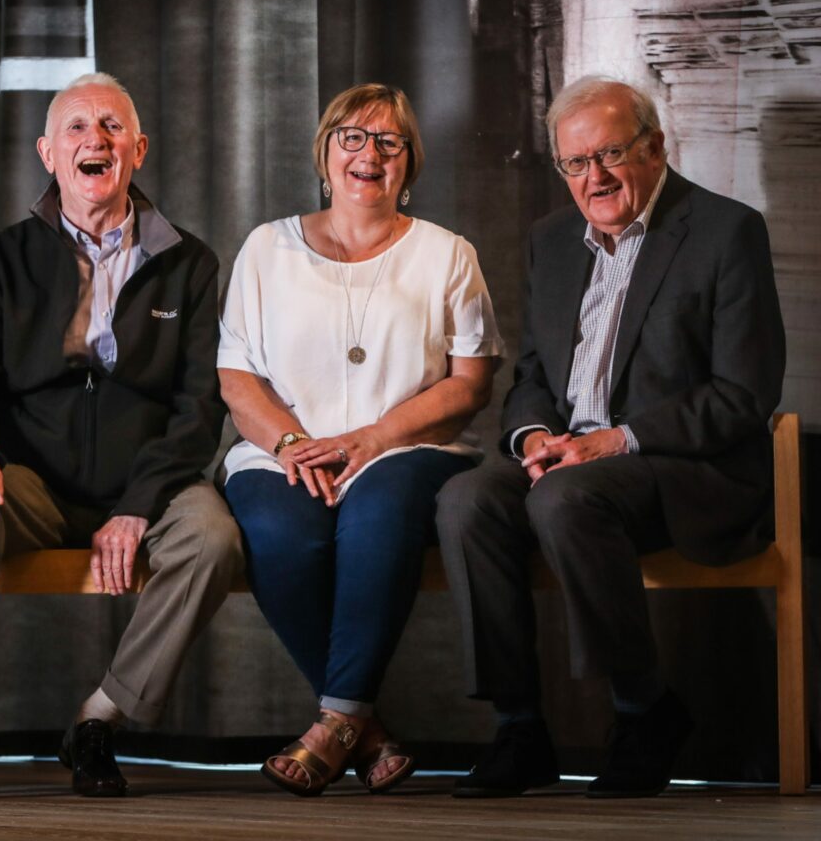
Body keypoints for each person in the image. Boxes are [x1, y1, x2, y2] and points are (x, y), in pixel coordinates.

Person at [436, 75, 786, 799]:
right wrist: (533, 434)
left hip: (687, 467)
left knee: (567, 499)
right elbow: (531, 373)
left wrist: (615, 440)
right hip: (573, 461)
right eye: (574, 163)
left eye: (611, 154)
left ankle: (642, 711)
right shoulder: (550, 242)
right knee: (466, 499)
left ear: (654, 148)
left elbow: (744, 396)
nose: (593, 177)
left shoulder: (725, 230)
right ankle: (520, 727)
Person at [0, 72, 243, 801]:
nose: (97, 140)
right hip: (32, 483)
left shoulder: (191, 262)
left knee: (213, 539)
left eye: (113, 127)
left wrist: (139, 503)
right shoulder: (1, 257)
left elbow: (200, 406)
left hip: (148, 481)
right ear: (48, 153)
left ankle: (99, 718)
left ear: (139, 150)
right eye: (79, 129)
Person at [218, 84, 501, 797]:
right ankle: (364, 731)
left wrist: (371, 439)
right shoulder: (266, 248)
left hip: (406, 453)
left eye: (388, 142)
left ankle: (335, 718)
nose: (368, 154)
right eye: (351, 137)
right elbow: (236, 377)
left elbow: (471, 383)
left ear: (409, 163)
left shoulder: (449, 254)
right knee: (284, 536)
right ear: (324, 153)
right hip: (283, 453)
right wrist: (287, 445)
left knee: (377, 517)